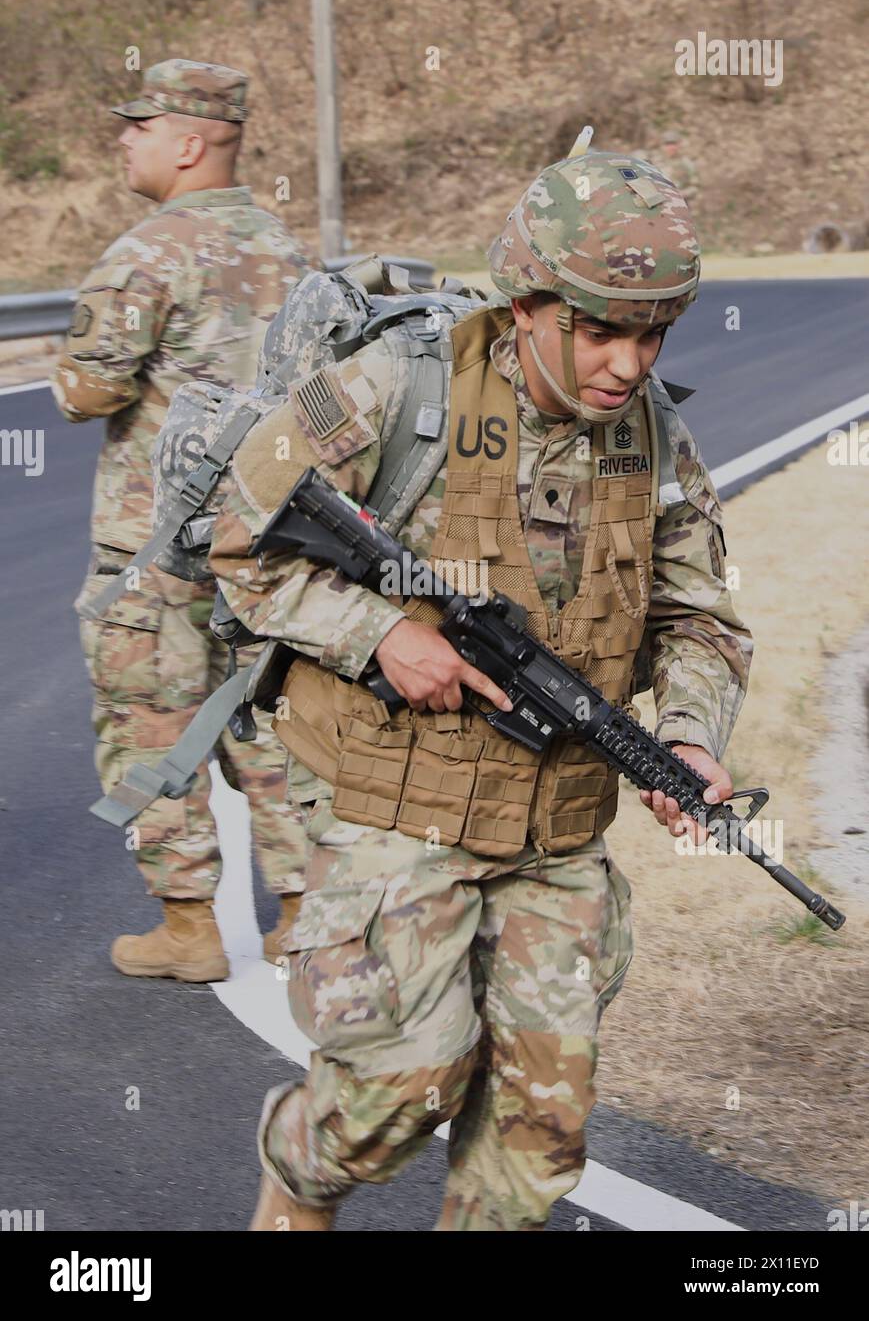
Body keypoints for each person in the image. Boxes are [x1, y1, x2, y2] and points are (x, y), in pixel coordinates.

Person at [209, 145, 753, 1229]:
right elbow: (241, 541)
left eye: (652, 333)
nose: (628, 363)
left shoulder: (651, 438)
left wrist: (687, 738)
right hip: (393, 805)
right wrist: (379, 637)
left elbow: (699, 616)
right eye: (600, 329)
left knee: (537, 1134)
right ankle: (294, 1171)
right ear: (528, 304)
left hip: (553, 829)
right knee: (394, 1094)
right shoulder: (392, 387)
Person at [52, 59, 315, 982]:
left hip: (154, 550)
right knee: (270, 723)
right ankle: (300, 914)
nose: (125, 137)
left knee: (151, 723)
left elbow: (86, 391)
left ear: (190, 142)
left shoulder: (147, 252)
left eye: (140, 125)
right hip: (270, 540)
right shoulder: (290, 253)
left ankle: (191, 929)